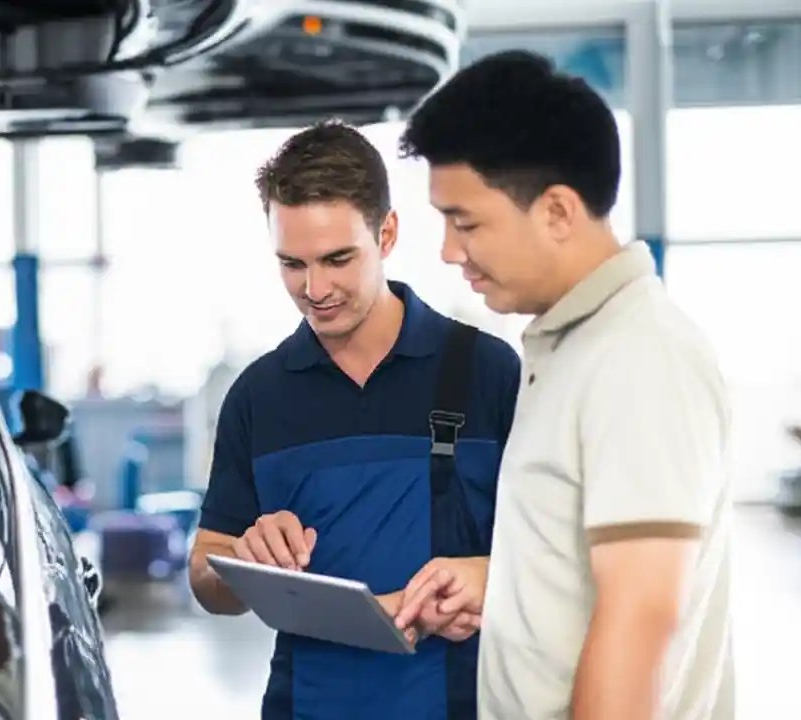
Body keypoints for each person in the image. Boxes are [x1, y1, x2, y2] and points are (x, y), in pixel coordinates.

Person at [394, 50, 735, 720]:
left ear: (555, 211)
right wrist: (508, 583)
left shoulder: (638, 357)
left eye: (465, 222)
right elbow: (596, 563)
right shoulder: (573, 346)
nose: (448, 251)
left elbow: (640, 618)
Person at [187, 120, 522, 719]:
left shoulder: (487, 372)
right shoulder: (258, 396)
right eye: (292, 264)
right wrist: (245, 557)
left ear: (387, 233)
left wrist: (493, 575)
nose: (314, 289)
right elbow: (205, 575)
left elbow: (555, 552)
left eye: (338, 259)